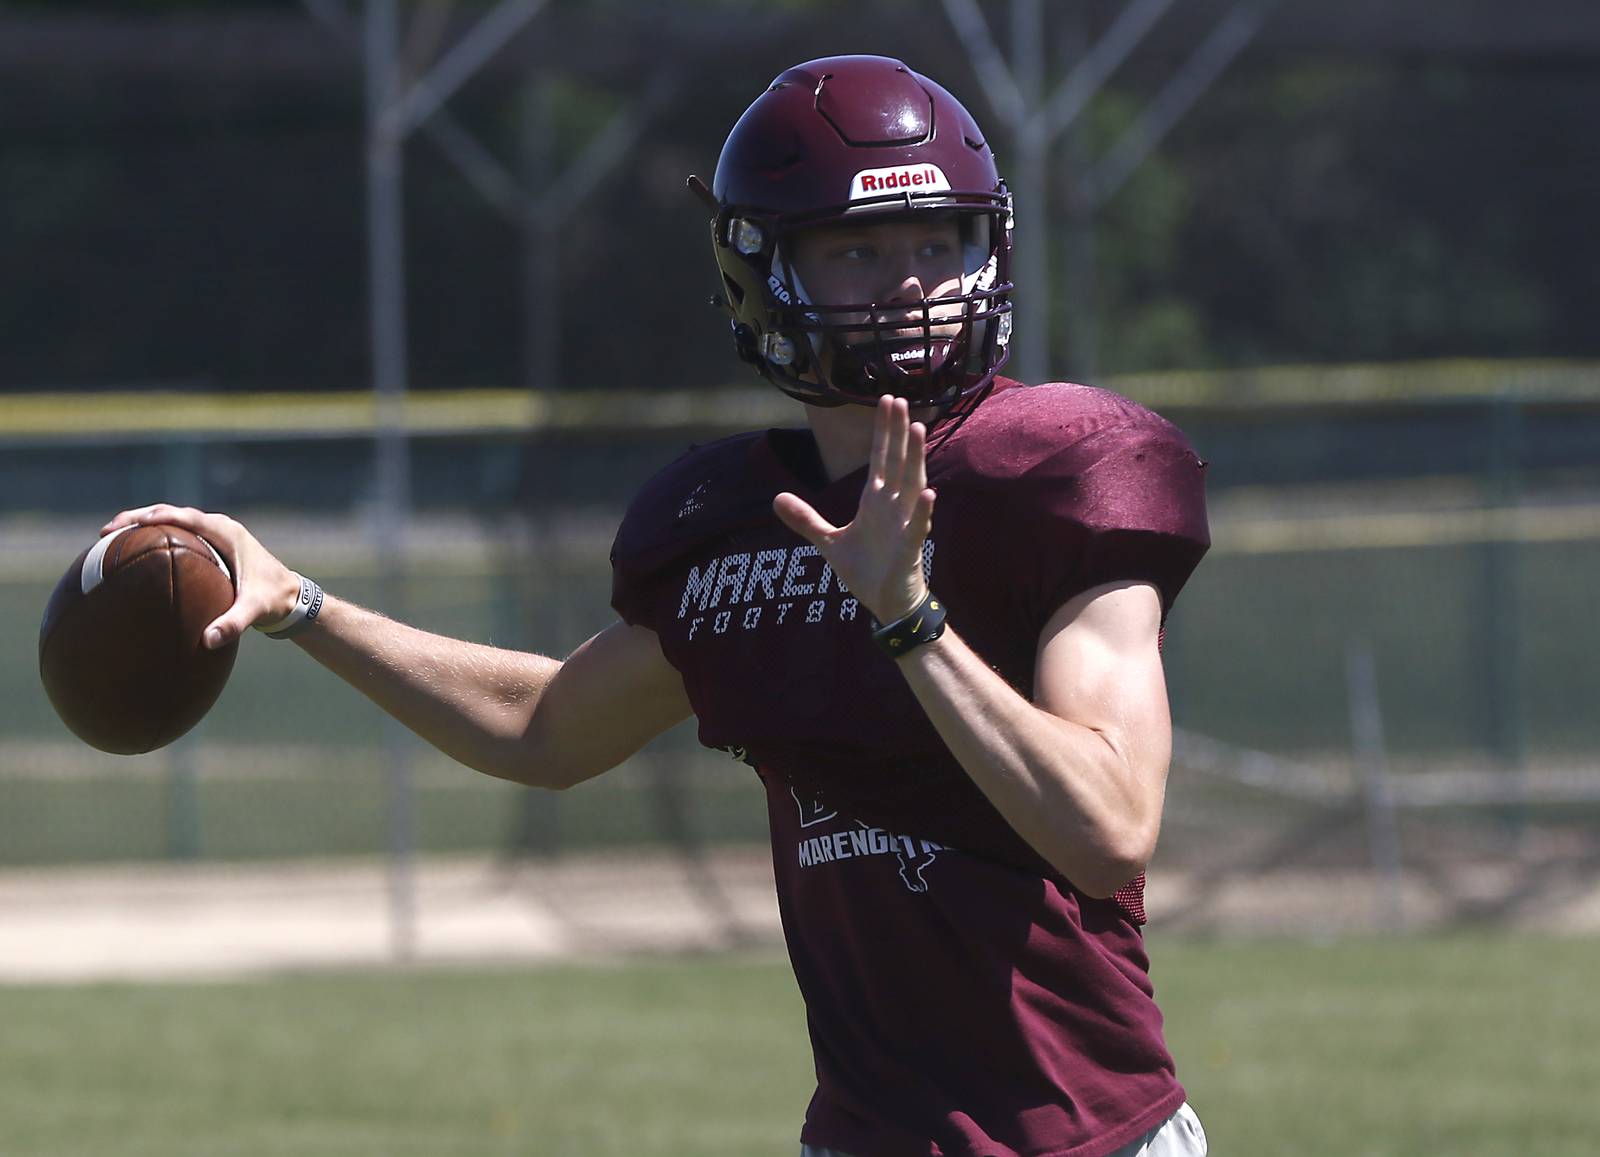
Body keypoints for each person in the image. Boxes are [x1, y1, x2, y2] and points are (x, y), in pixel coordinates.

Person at [107, 55, 1210, 1157]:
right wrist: (302, 603)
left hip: (1087, 1137)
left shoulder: (1056, 470)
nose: (911, 282)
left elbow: (1109, 828)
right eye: (859, 250)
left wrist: (909, 617)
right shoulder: (733, 524)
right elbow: (544, 727)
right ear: (761, 272)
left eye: (938, 242)